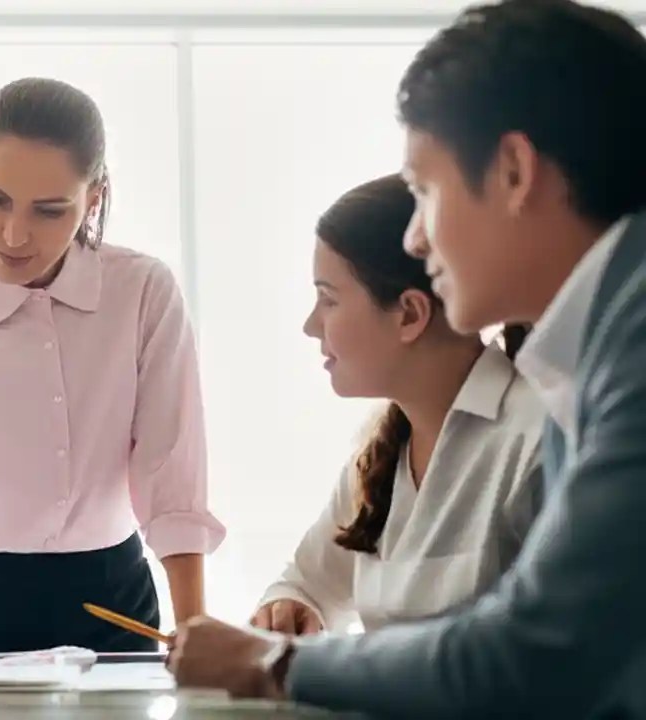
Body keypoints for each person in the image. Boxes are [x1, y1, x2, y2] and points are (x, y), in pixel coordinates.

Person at [167, 1, 646, 717]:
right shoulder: (587, 354)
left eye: (425, 191)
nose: (418, 240)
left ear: (514, 171)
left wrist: (276, 662)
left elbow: (541, 650)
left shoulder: (626, 348)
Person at [0, 77, 224, 672]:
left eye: (50, 210)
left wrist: (197, 626)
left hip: (115, 593)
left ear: (95, 197)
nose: (13, 235)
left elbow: (172, 470)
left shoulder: (143, 292)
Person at [252, 174, 544, 636]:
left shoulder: (535, 441)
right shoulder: (380, 456)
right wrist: (289, 605)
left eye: (328, 299)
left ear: (409, 314)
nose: (311, 325)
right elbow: (308, 582)